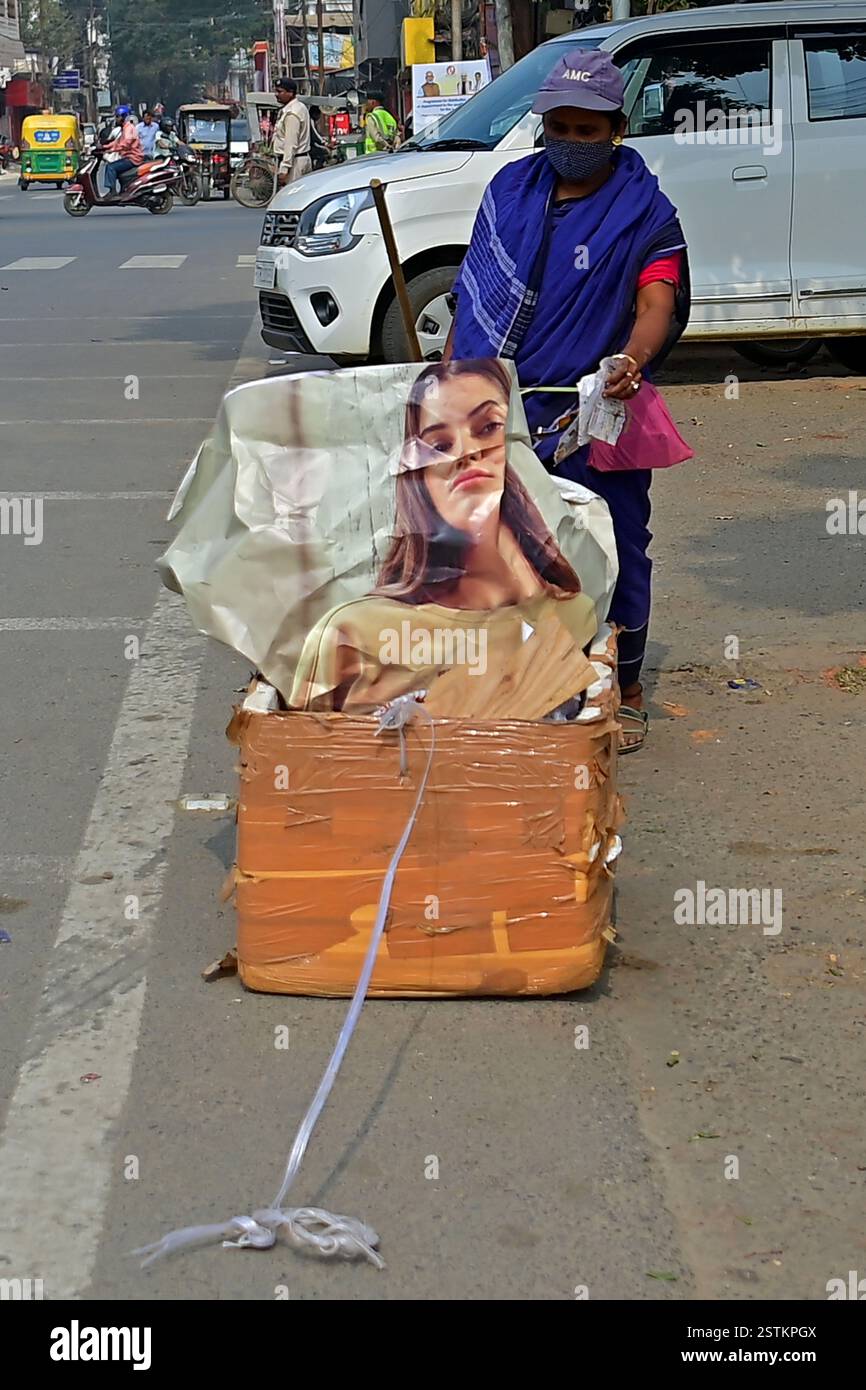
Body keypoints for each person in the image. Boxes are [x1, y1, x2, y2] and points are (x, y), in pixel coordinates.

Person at [444, 49, 689, 753]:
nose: (572, 143)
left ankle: (626, 686)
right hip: (503, 408)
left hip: (595, 410)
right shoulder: (509, 192)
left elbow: (657, 300)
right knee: (502, 549)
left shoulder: (644, 211)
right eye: (560, 128)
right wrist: (449, 381)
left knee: (615, 548)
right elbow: (475, 298)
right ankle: (530, 682)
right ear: (543, 125)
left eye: (588, 131)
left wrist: (631, 360)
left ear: (616, 131)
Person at [290, 358, 597, 712]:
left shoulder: (571, 613)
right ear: (417, 480)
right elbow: (293, 737)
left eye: (488, 428)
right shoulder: (350, 632)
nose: (467, 452)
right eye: (438, 445)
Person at [272, 77, 311, 187]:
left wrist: (285, 168)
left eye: (280, 91)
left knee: (293, 195)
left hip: (295, 163)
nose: (276, 94)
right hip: (299, 159)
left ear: (290, 93)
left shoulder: (292, 113)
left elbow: (291, 143)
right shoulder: (299, 107)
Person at [103, 109, 145, 194]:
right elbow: (117, 142)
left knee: (110, 167)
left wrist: (111, 150)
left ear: (123, 117)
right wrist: (104, 147)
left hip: (132, 158)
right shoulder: (124, 128)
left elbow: (126, 144)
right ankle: (123, 189)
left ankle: (112, 192)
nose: (116, 119)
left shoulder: (129, 128)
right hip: (128, 157)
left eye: (117, 116)